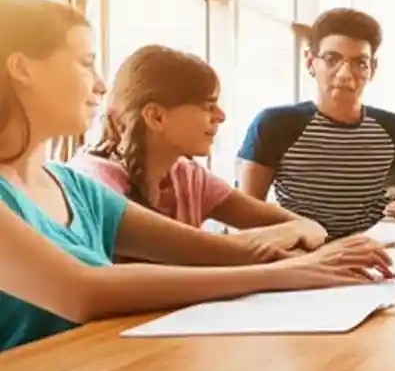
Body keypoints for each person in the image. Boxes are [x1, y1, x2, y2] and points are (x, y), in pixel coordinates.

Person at [0, 0, 393, 352]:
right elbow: (81, 291)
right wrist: (286, 271)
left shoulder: (75, 188)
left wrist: (326, 256)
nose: (101, 85)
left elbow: (220, 253)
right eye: (86, 63)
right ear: (22, 68)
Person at [70, 45, 327, 251]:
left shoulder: (188, 176)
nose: (221, 115)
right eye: (207, 106)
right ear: (156, 117)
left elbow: (304, 227)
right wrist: (290, 235)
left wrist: (299, 232)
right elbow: (196, 255)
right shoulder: (94, 181)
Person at [237, 8, 395, 238]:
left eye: (360, 63)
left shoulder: (393, 128)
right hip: (302, 256)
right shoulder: (274, 125)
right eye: (331, 59)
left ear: (372, 69)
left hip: (371, 255)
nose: (345, 74)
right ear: (310, 62)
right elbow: (247, 214)